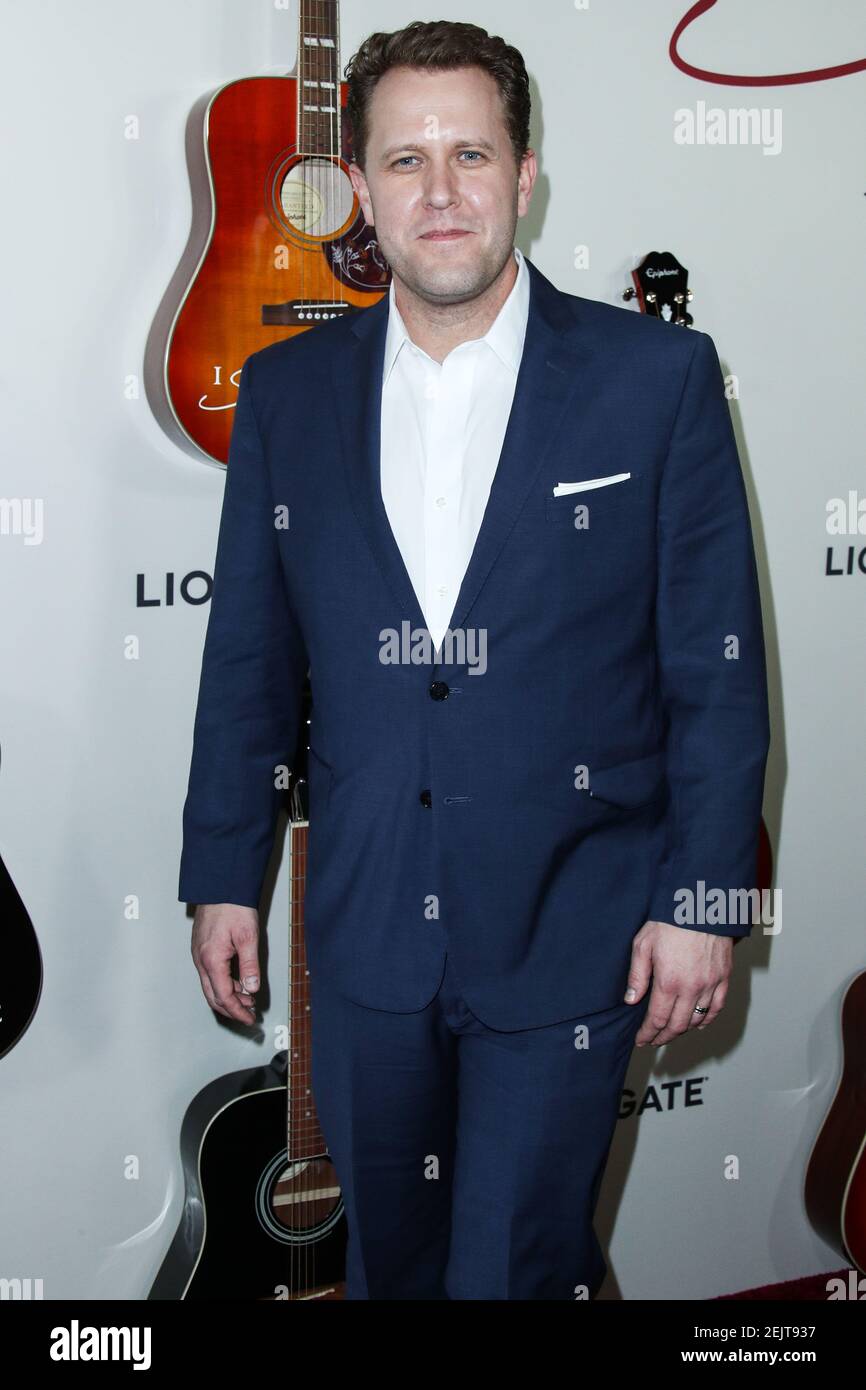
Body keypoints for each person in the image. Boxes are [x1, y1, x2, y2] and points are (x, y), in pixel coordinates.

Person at [179, 19, 771, 1300]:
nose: (438, 192)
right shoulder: (285, 395)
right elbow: (248, 659)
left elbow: (716, 674)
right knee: (391, 1267)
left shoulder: (655, 380)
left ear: (526, 172)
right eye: (403, 160)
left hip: (578, 925)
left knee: (514, 1267)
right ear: (361, 190)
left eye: (469, 154)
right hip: (368, 929)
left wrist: (705, 900)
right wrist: (224, 874)